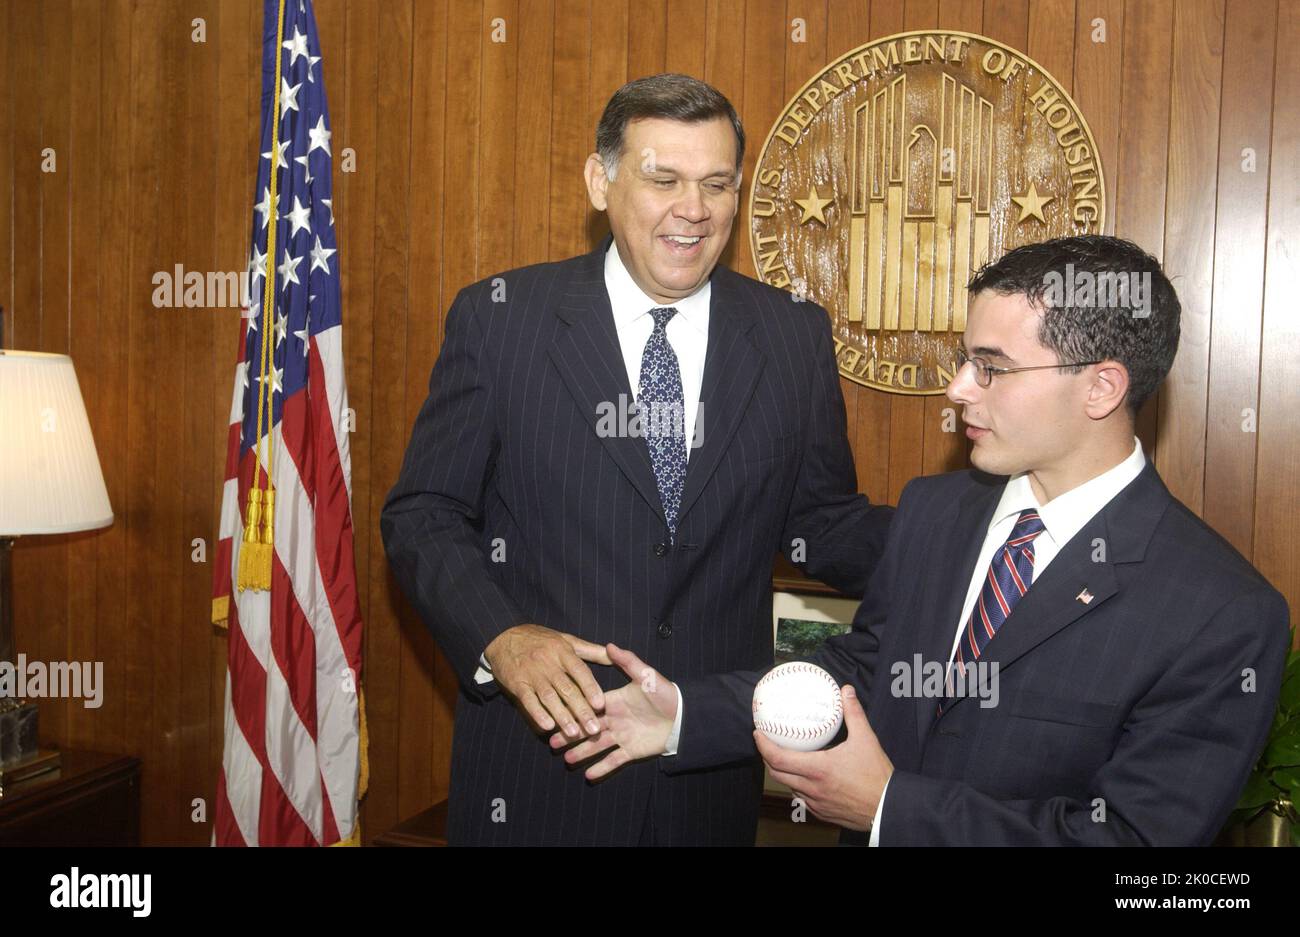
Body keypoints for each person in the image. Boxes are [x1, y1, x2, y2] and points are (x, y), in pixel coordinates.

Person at [557, 235, 1291, 846]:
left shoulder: (1221, 613)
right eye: (967, 357)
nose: (959, 388)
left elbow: (1136, 847)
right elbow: (863, 670)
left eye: (993, 367)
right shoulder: (936, 511)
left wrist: (889, 808)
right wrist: (684, 714)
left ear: (1101, 388)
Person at [380, 73, 893, 845]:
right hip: (540, 771)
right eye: (665, 179)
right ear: (601, 181)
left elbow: (819, 522)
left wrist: (971, 541)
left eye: (717, 184)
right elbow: (423, 514)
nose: (695, 208)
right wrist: (502, 636)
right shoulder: (503, 321)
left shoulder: (792, 336)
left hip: (704, 779)